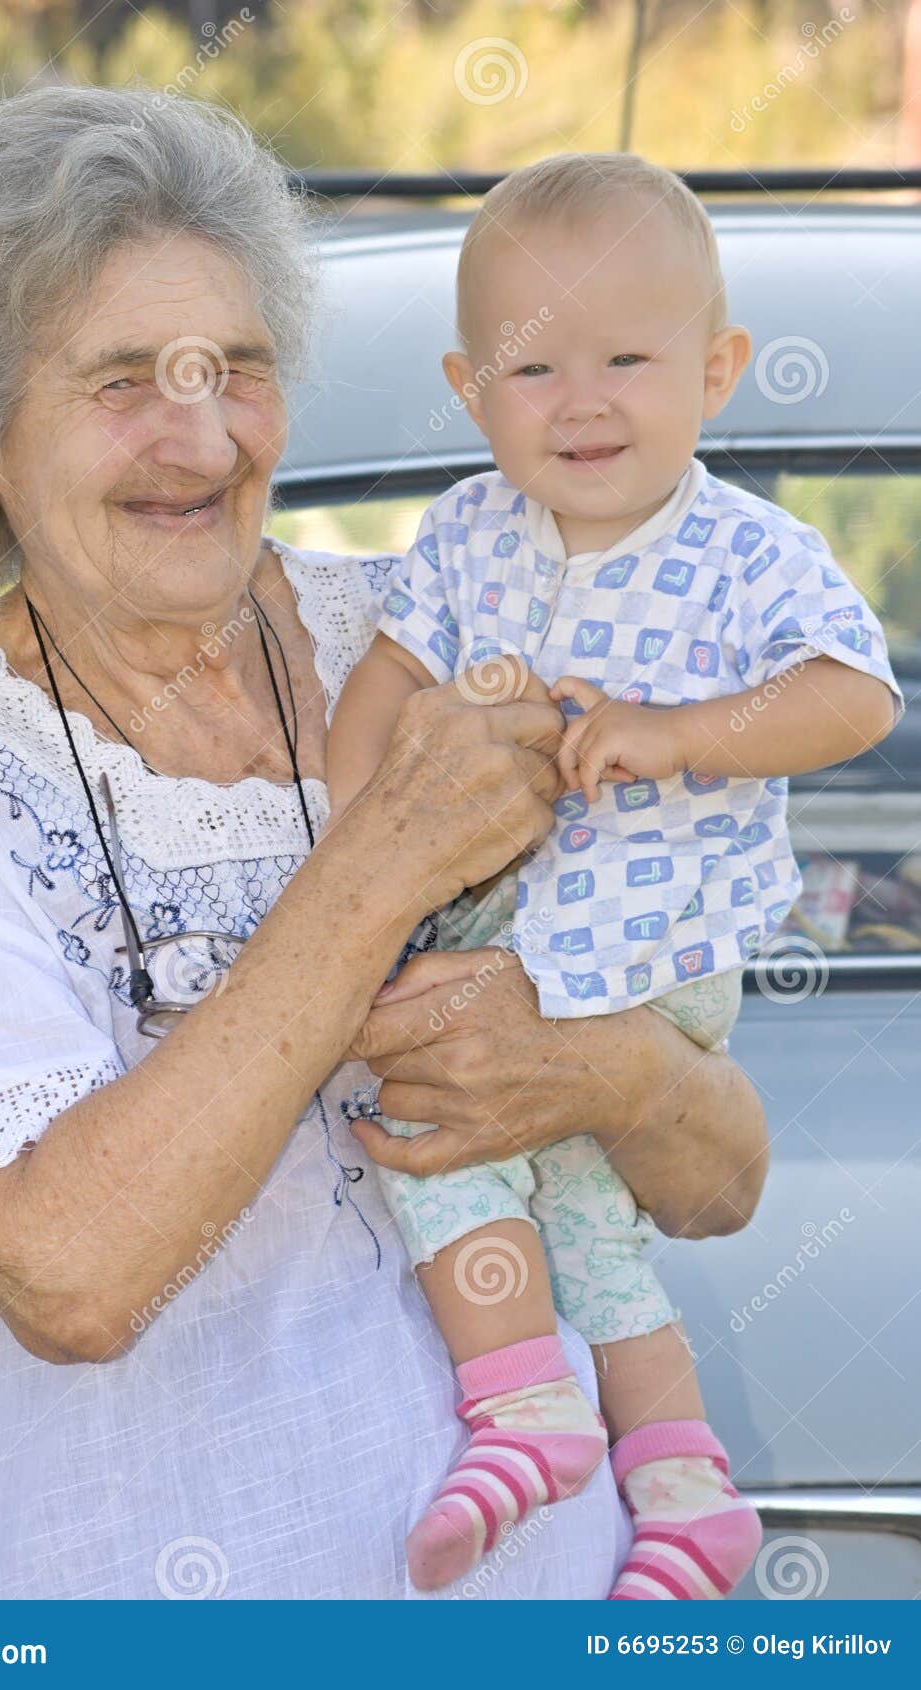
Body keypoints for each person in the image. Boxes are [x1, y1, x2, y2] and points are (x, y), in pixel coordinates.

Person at [0, 95, 769, 1600]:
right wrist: (377, 865)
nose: (202, 435)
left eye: (233, 367)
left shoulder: (437, 644)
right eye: (122, 382)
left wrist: (610, 1070)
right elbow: (70, 1271)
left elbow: (717, 1174)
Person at [328, 152, 902, 1598]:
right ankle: (683, 1486)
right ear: (469, 392)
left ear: (714, 371)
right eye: (531, 368)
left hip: (665, 949)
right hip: (520, 934)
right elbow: (387, 679)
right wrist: (357, 818)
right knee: (589, 1233)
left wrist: (676, 734)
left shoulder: (745, 551)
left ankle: (520, 1407)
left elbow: (853, 697)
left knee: (439, 1128)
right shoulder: (463, 535)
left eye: (628, 358)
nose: (580, 400)